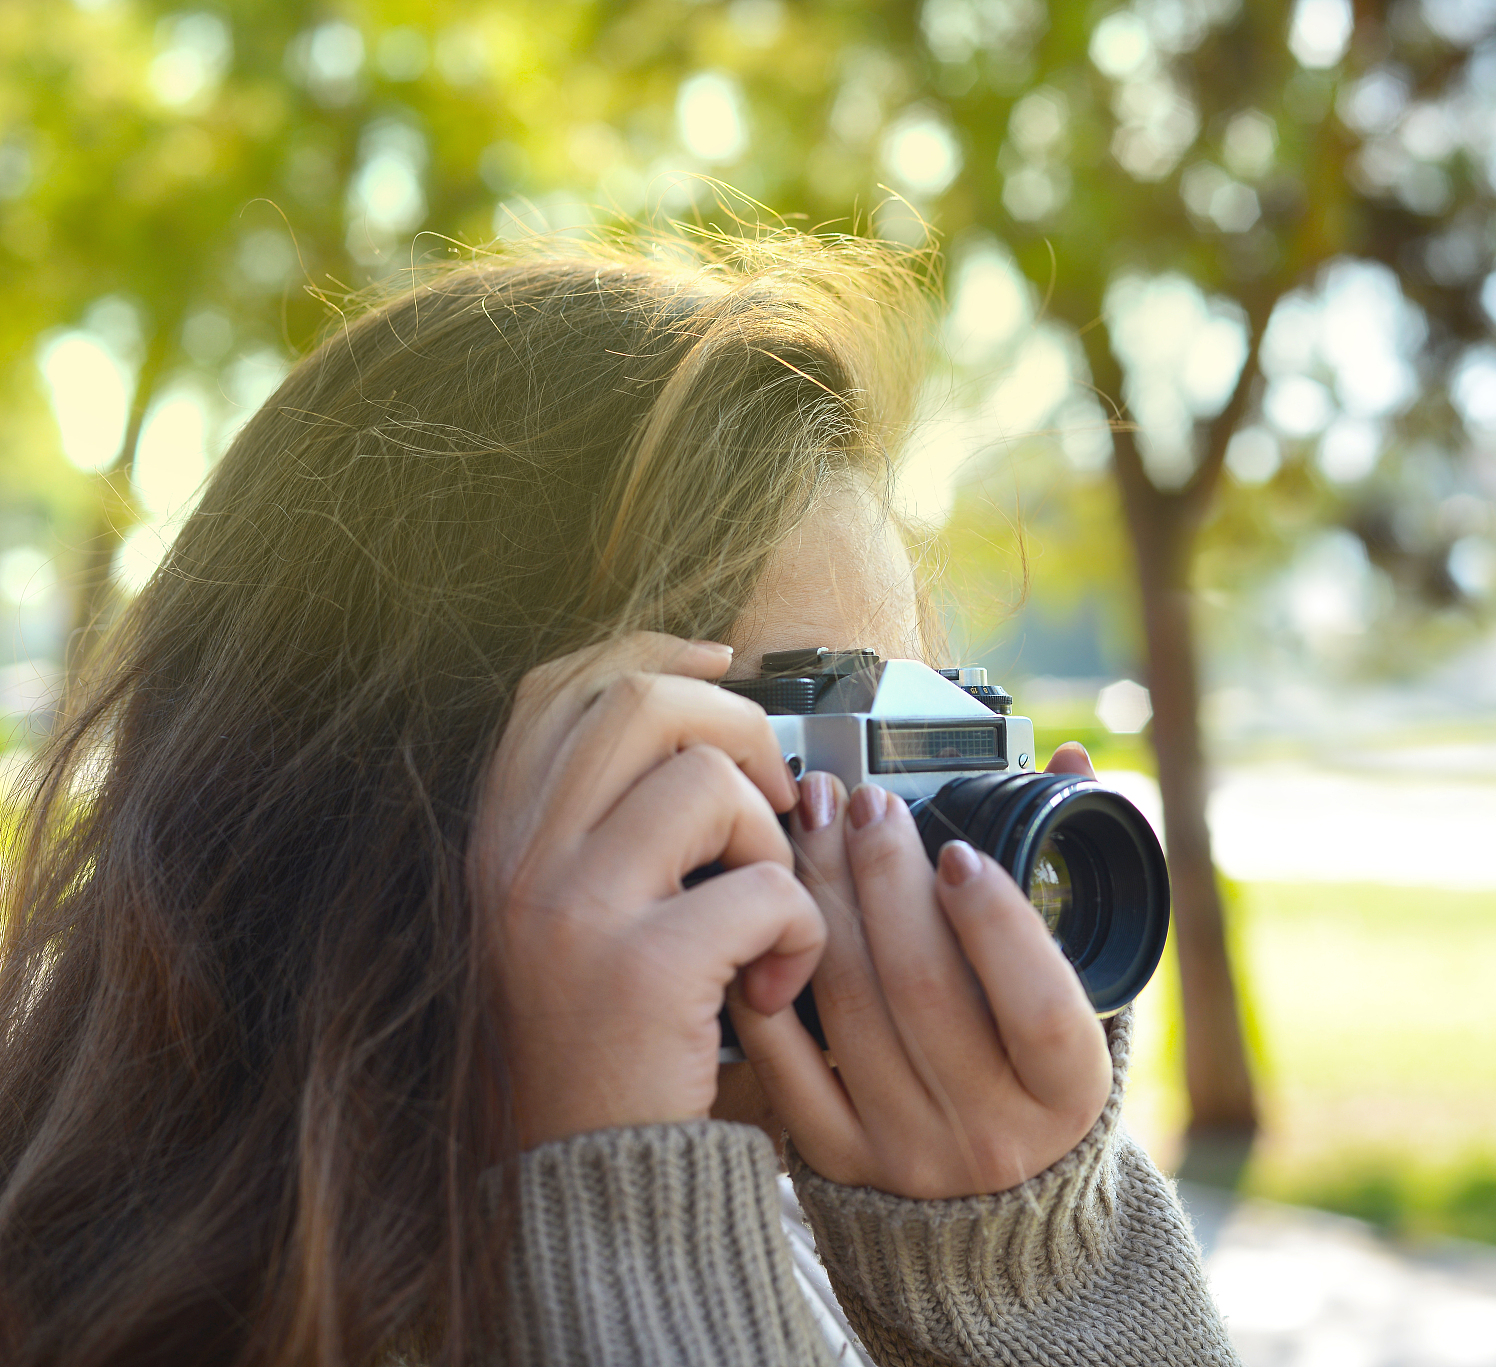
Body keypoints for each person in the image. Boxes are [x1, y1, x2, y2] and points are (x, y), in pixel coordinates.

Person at [0, 232, 1238, 1367]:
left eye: (910, 768)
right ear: (401, 832)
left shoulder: (846, 1248)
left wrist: (1025, 1264)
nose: (887, 869)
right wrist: (631, 1220)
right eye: (786, 765)